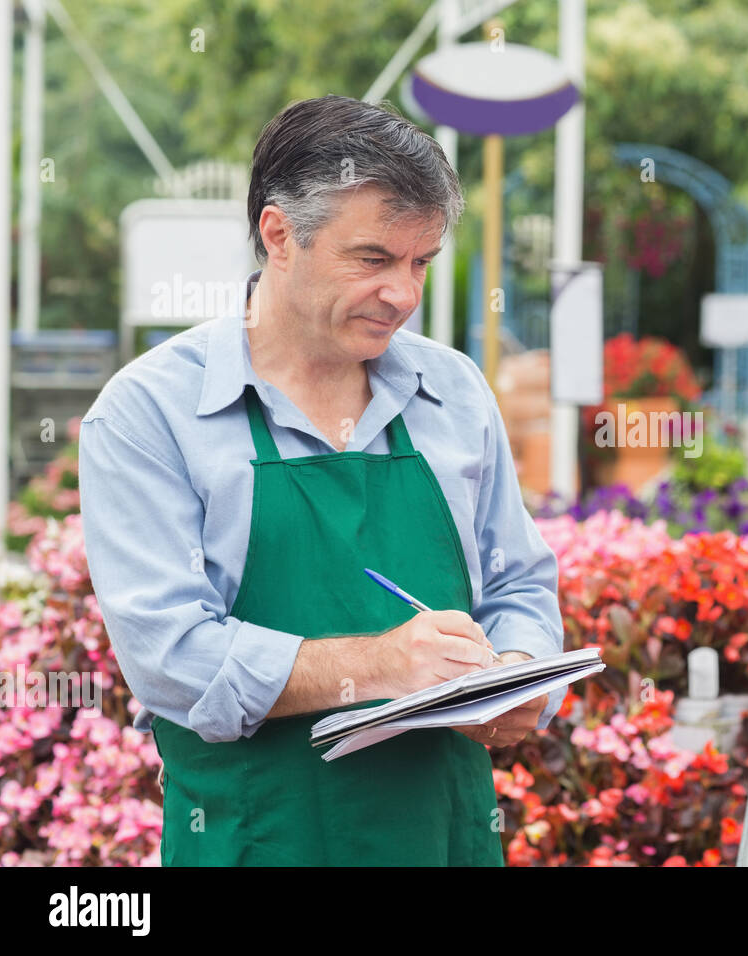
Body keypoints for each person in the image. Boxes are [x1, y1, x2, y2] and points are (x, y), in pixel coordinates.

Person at [78, 95, 564, 866]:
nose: (404, 294)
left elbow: (518, 586)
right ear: (279, 234)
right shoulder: (149, 414)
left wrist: (513, 675)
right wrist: (379, 665)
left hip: (446, 839)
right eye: (372, 259)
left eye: (421, 263)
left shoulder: (456, 391)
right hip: (256, 843)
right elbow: (171, 658)